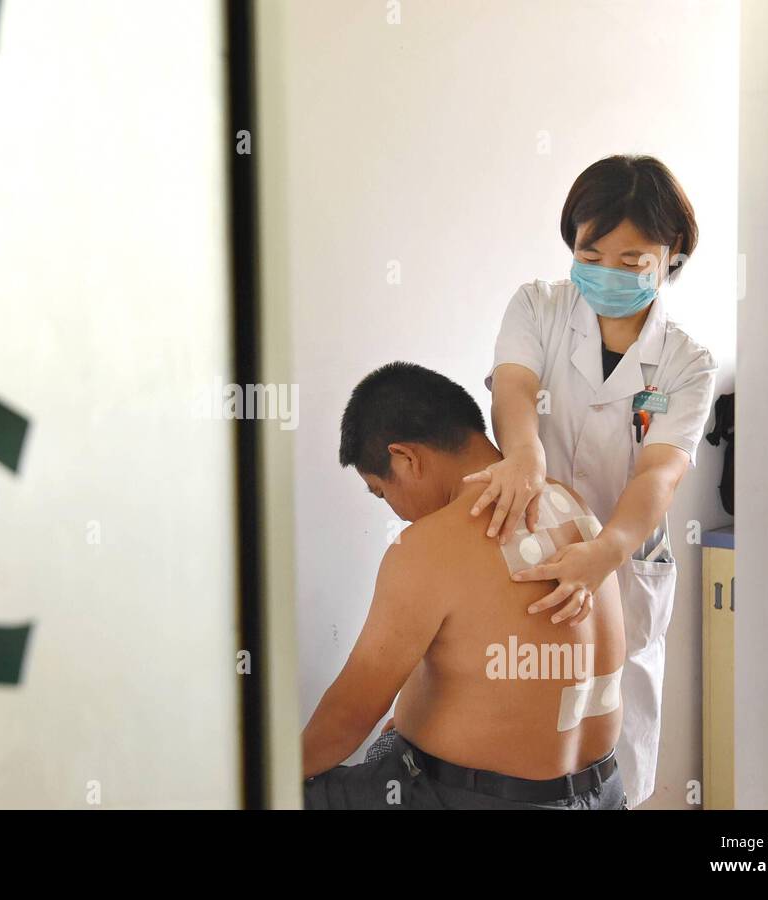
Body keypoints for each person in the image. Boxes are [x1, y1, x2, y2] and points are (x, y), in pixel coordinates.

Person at [467, 155, 717, 806]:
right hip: (533, 556)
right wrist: (524, 453)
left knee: (617, 754)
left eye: (632, 260)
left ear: (673, 253)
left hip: (624, 567)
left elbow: (659, 471)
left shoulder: (685, 362)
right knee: (528, 749)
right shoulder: (539, 308)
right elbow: (515, 384)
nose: (607, 273)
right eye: (591, 252)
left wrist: (607, 551)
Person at [302, 363, 625, 810]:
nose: (393, 510)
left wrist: (258, 777)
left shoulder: (425, 548)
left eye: (381, 491)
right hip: (604, 791)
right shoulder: (573, 505)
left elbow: (344, 723)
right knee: (390, 746)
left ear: (406, 458)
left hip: (477, 799)